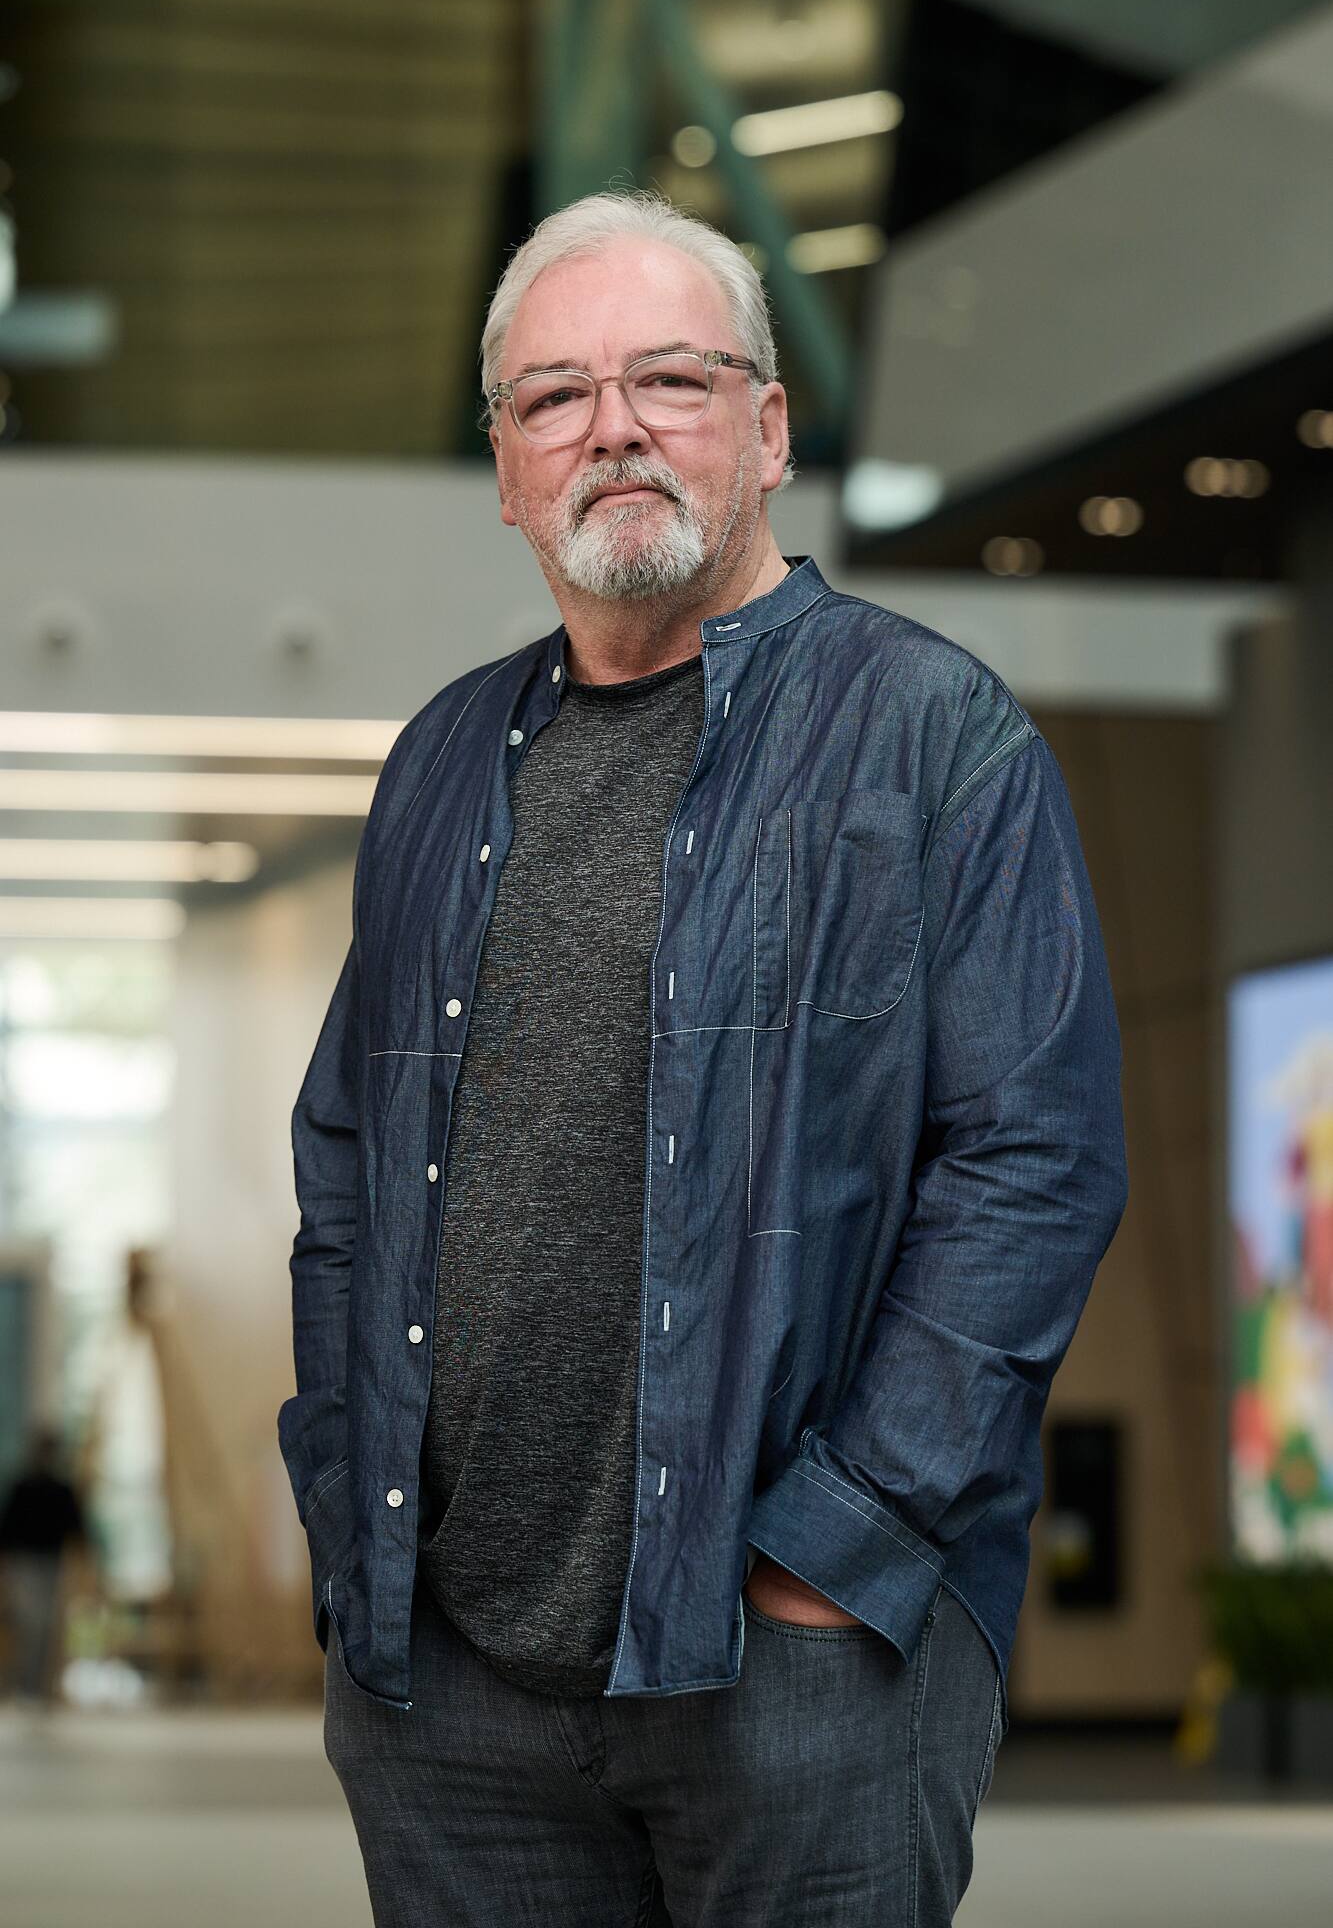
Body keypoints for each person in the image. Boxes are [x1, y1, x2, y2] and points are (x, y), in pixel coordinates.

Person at [279, 187, 1128, 1927]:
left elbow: (1031, 1164)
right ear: (510, 465)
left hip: (793, 1660)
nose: (611, 431)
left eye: (667, 380)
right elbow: (346, 1161)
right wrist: (340, 1496)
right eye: (553, 395)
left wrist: (839, 1545)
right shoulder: (444, 756)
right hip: (451, 1681)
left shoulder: (926, 732)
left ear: (765, 426)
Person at [0, 1424, 88, 1707]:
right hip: (25, 1564)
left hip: (51, 1563)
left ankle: (38, 1686)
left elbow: (76, 1528)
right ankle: (25, 1684)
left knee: (46, 1626)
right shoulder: (22, 1486)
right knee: (29, 1623)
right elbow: (8, 1528)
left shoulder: (62, 1488)